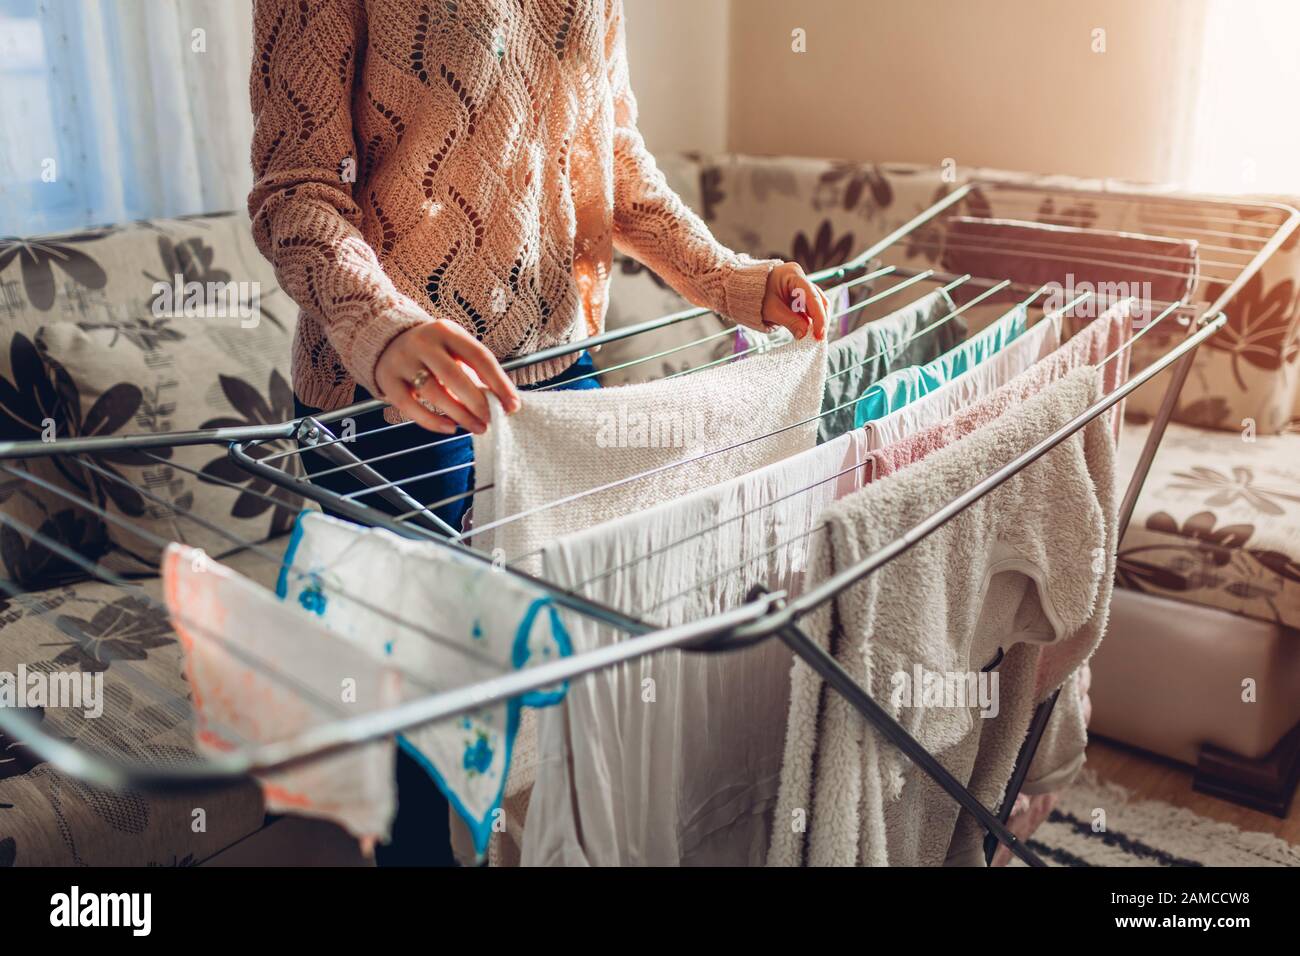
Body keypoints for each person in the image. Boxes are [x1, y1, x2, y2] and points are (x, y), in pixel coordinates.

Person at [247, 0, 830, 864]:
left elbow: (613, 160)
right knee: (433, 765)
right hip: (398, 404)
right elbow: (295, 189)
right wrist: (382, 326)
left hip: (562, 388)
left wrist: (732, 280)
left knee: (574, 711)